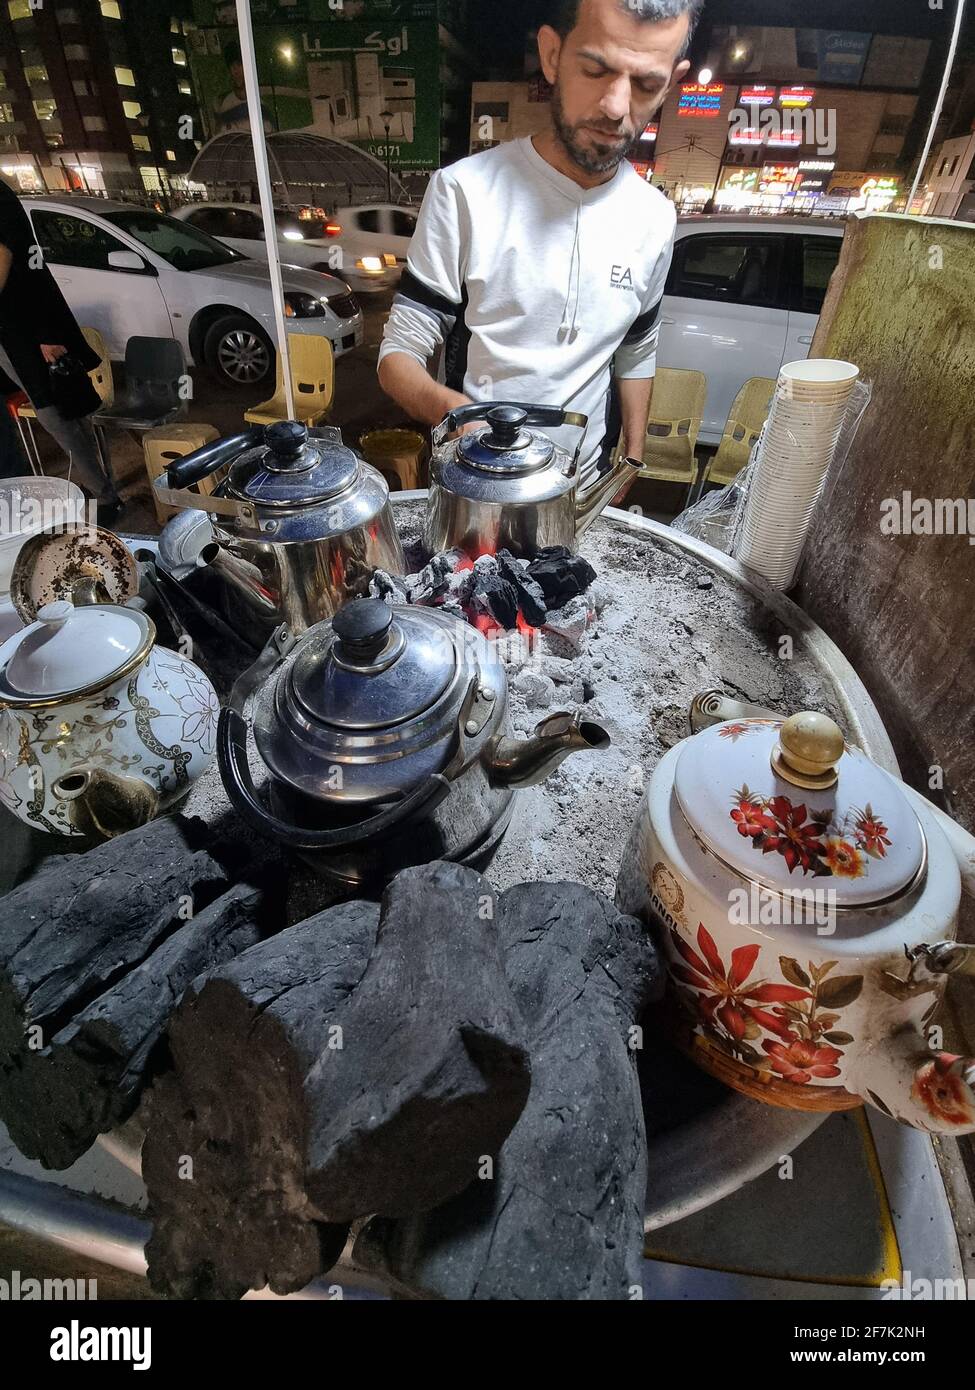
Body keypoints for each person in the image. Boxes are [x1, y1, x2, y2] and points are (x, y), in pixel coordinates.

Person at [378, 0, 702, 478]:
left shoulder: (655, 216)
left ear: (672, 82)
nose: (616, 106)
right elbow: (397, 358)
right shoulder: (465, 190)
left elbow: (637, 347)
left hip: (581, 481)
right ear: (552, 56)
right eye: (595, 69)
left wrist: (632, 456)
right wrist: (458, 416)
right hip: (475, 478)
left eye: (646, 83)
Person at [0, 178, 119, 510]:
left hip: (28, 327)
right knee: (63, 409)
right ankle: (98, 485)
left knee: (59, 411)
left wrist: (46, 335)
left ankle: (103, 494)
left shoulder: (0, 199)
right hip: (18, 329)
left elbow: (11, 263)